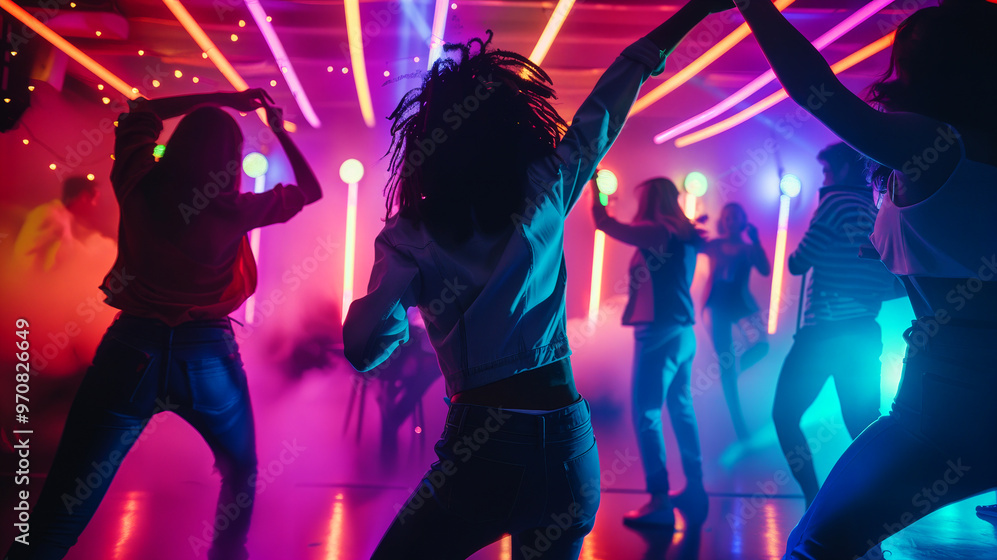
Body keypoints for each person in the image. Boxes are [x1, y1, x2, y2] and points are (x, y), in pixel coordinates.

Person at [343, 1, 734, 557]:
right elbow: (613, 94)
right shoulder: (548, 184)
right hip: (571, 446)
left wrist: (397, 328)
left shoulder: (410, 232)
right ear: (517, 127)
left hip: (486, 448)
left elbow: (361, 347)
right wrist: (694, 10)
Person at [5, 88, 321, 560]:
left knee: (61, 510)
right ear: (231, 158)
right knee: (240, 468)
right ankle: (226, 554)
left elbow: (142, 110)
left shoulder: (135, 181)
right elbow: (311, 191)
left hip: (130, 347)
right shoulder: (233, 208)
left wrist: (226, 97)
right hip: (207, 354)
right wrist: (278, 131)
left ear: (176, 145)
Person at [734, 0, 997, 557]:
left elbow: (817, 93)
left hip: (950, 396)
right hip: (955, 381)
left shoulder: (937, 143)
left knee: (816, 545)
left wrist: (752, 5)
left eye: (908, 51)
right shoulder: (973, 147)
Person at [770, 142, 901, 509]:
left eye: (827, 171)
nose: (824, 179)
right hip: (863, 332)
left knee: (784, 415)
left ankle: (814, 501)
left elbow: (798, 262)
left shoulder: (834, 203)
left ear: (842, 171)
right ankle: (872, 508)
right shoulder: (877, 210)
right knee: (863, 426)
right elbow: (891, 282)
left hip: (824, 332)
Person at [591, 177, 709, 528]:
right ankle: (695, 489)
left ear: (651, 200)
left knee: (647, 413)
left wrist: (593, 183)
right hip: (682, 331)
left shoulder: (658, 231)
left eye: (641, 198)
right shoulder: (683, 234)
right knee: (681, 409)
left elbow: (604, 223)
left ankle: (659, 499)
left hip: (658, 332)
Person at [701, 202, 770, 441]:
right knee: (725, 362)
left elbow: (765, 270)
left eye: (735, 217)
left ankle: (737, 371)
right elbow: (690, 246)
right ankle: (738, 424)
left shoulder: (748, 249)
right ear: (722, 221)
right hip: (717, 306)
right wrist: (693, 227)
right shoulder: (714, 245)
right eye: (727, 217)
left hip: (741, 304)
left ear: (743, 220)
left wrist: (757, 241)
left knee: (762, 345)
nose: (730, 221)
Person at [11, 176, 103, 273]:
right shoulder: (49, 214)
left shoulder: (65, 218)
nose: (95, 205)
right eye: (95, 200)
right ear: (84, 197)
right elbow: (24, 252)